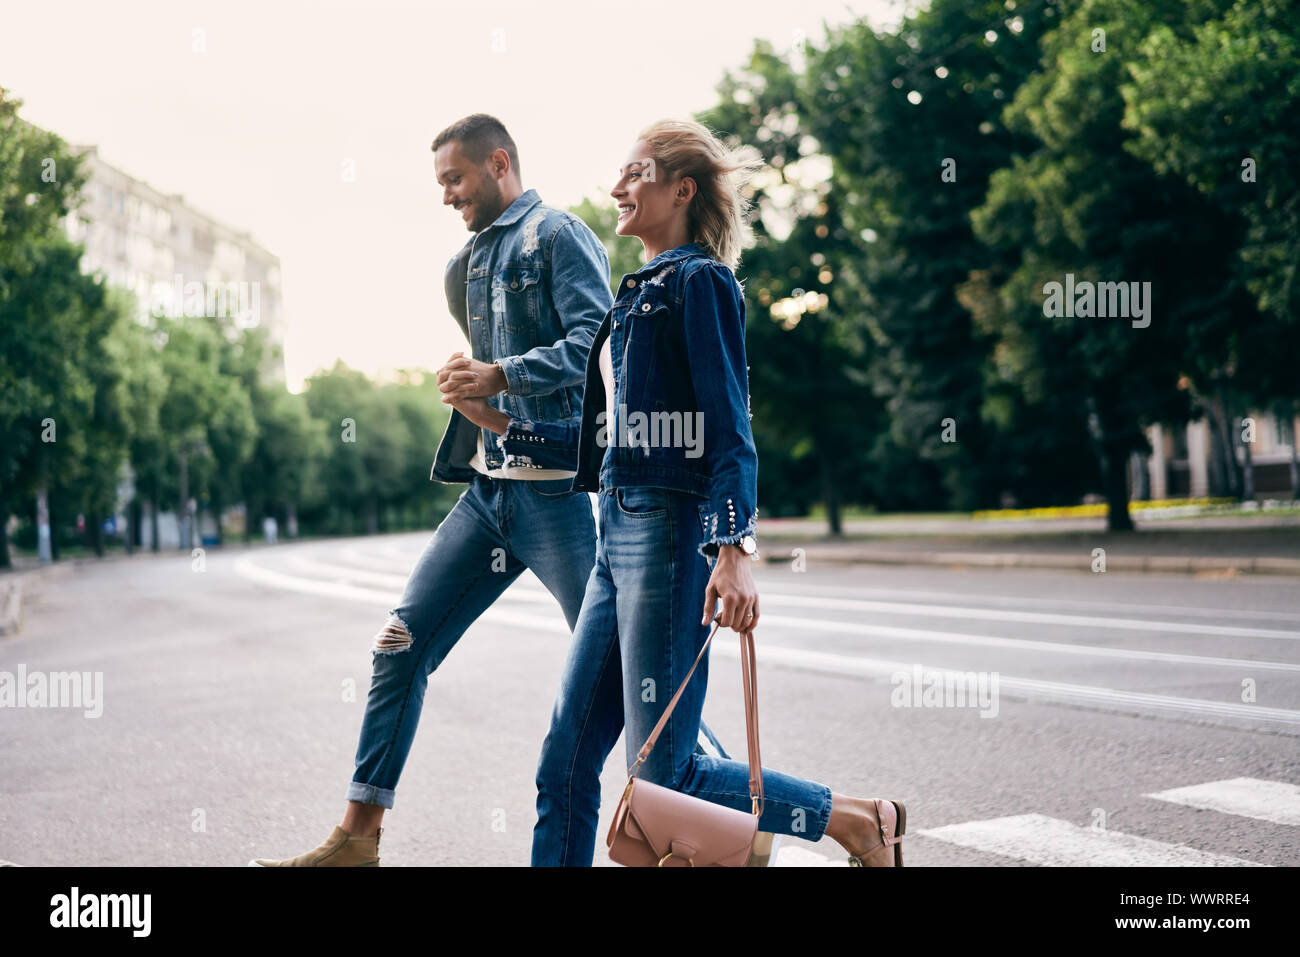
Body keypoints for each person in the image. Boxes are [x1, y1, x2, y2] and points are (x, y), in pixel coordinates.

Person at [481, 119, 908, 867]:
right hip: (617, 532)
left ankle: (854, 820)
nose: (617, 187)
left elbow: (728, 426)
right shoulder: (632, 295)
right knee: (567, 758)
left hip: (670, 535)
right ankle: (852, 819)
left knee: (665, 773)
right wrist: (507, 426)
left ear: (681, 189)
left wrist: (733, 545)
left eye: (635, 174)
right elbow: (612, 441)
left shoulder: (698, 281)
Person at [250, 114, 612, 866]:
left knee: (620, 658)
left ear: (498, 162)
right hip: (488, 496)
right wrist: (479, 401)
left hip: (556, 502)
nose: (446, 195)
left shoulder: (559, 234)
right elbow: (499, 391)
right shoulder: (463, 267)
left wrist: (502, 375)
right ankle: (356, 839)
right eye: (440, 183)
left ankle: (726, 817)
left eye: (455, 178)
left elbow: (593, 347)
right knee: (399, 646)